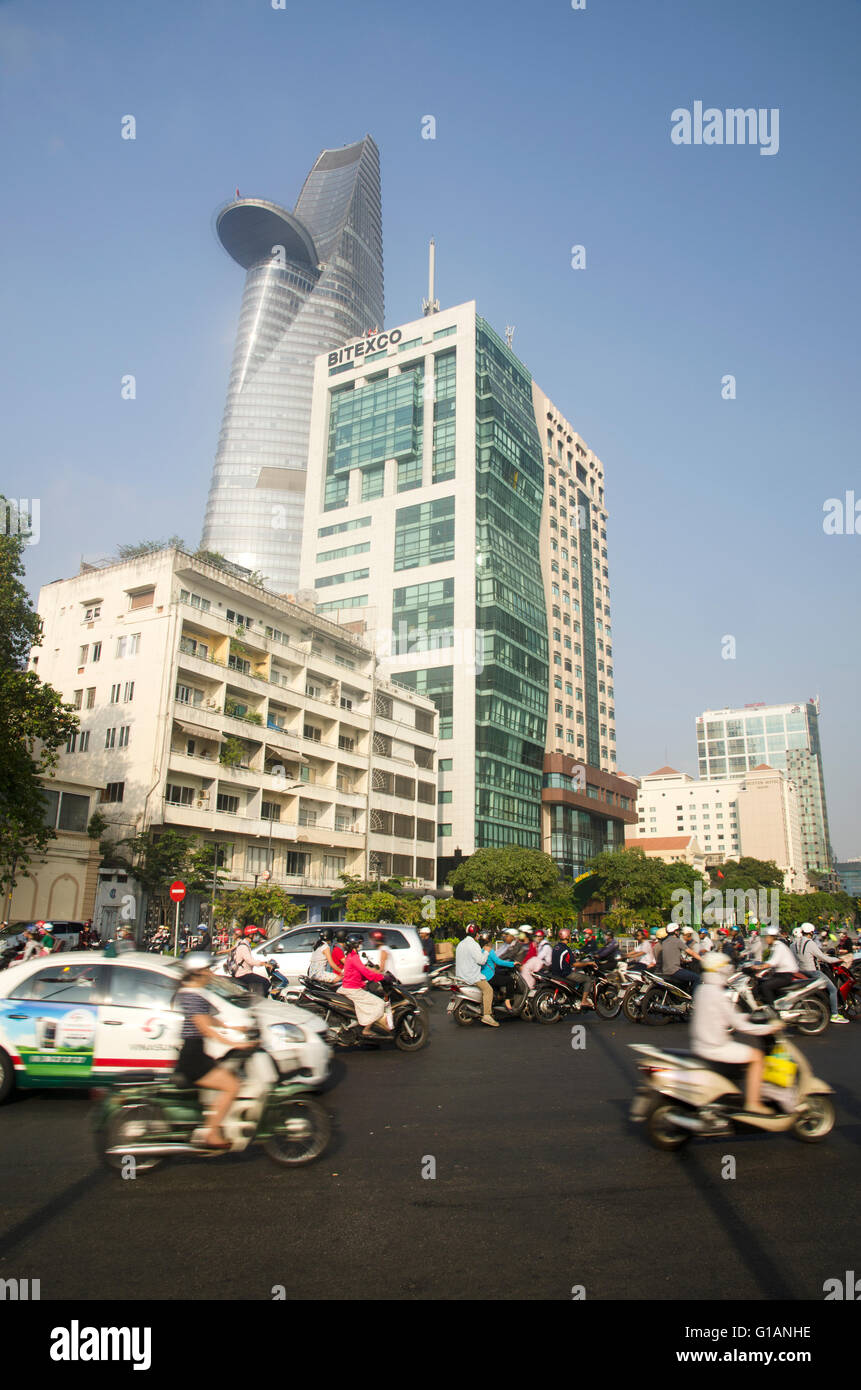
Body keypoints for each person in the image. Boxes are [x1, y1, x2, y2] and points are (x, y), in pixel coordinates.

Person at [172, 953, 256, 1149]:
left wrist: (234, 1028)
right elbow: (204, 1027)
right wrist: (234, 1044)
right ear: (198, 972)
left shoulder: (191, 992)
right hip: (194, 1056)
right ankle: (212, 1133)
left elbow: (208, 1019)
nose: (210, 973)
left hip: (194, 1052)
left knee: (229, 1072)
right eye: (207, 970)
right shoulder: (192, 995)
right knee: (232, 1086)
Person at [689, 951, 785, 1114]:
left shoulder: (702, 990)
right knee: (756, 1057)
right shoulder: (717, 994)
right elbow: (740, 1025)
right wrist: (769, 1028)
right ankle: (754, 1103)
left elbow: (726, 1017)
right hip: (716, 1047)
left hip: (701, 1045)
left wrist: (750, 1015)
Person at [338, 934, 392, 1037]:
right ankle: (366, 1030)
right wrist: (381, 978)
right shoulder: (354, 957)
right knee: (379, 1004)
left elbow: (360, 973)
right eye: (360, 943)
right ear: (355, 945)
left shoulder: (352, 956)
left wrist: (373, 975)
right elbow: (365, 971)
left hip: (351, 986)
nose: (361, 945)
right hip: (353, 989)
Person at [795, 923, 848, 1024]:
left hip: (800, 971)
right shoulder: (810, 943)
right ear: (811, 932)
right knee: (833, 989)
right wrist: (836, 960)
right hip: (812, 971)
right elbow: (823, 957)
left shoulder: (795, 943)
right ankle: (835, 1014)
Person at [454, 929, 496, 1026]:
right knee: (488, 990)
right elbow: (481, 961)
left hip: (460, 975)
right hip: (471, 975)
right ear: (476, 935)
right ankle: (487, 1015)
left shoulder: (461, 944)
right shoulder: (474, 945)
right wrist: (486, 951)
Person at [657, 923, 699, 992]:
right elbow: (691, 952)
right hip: (675, 971)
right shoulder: (677, 941)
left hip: (665, 971)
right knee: (697, 978)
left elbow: (672, 954)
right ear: (675, 932)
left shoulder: (664, 942)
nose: (679, 933)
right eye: (678, 931)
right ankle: (694, 1000)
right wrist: (703, 959)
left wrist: (682, 960)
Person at [479, 931, 516, 1008]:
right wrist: (513, 964)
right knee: (510, 980)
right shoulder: (489, 951)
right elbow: (499, 962)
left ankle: (499, 997)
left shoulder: (480, 950)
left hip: (482, 976)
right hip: (490, 976)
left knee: (500, 975)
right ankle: (507, 1001)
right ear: (489, 941)